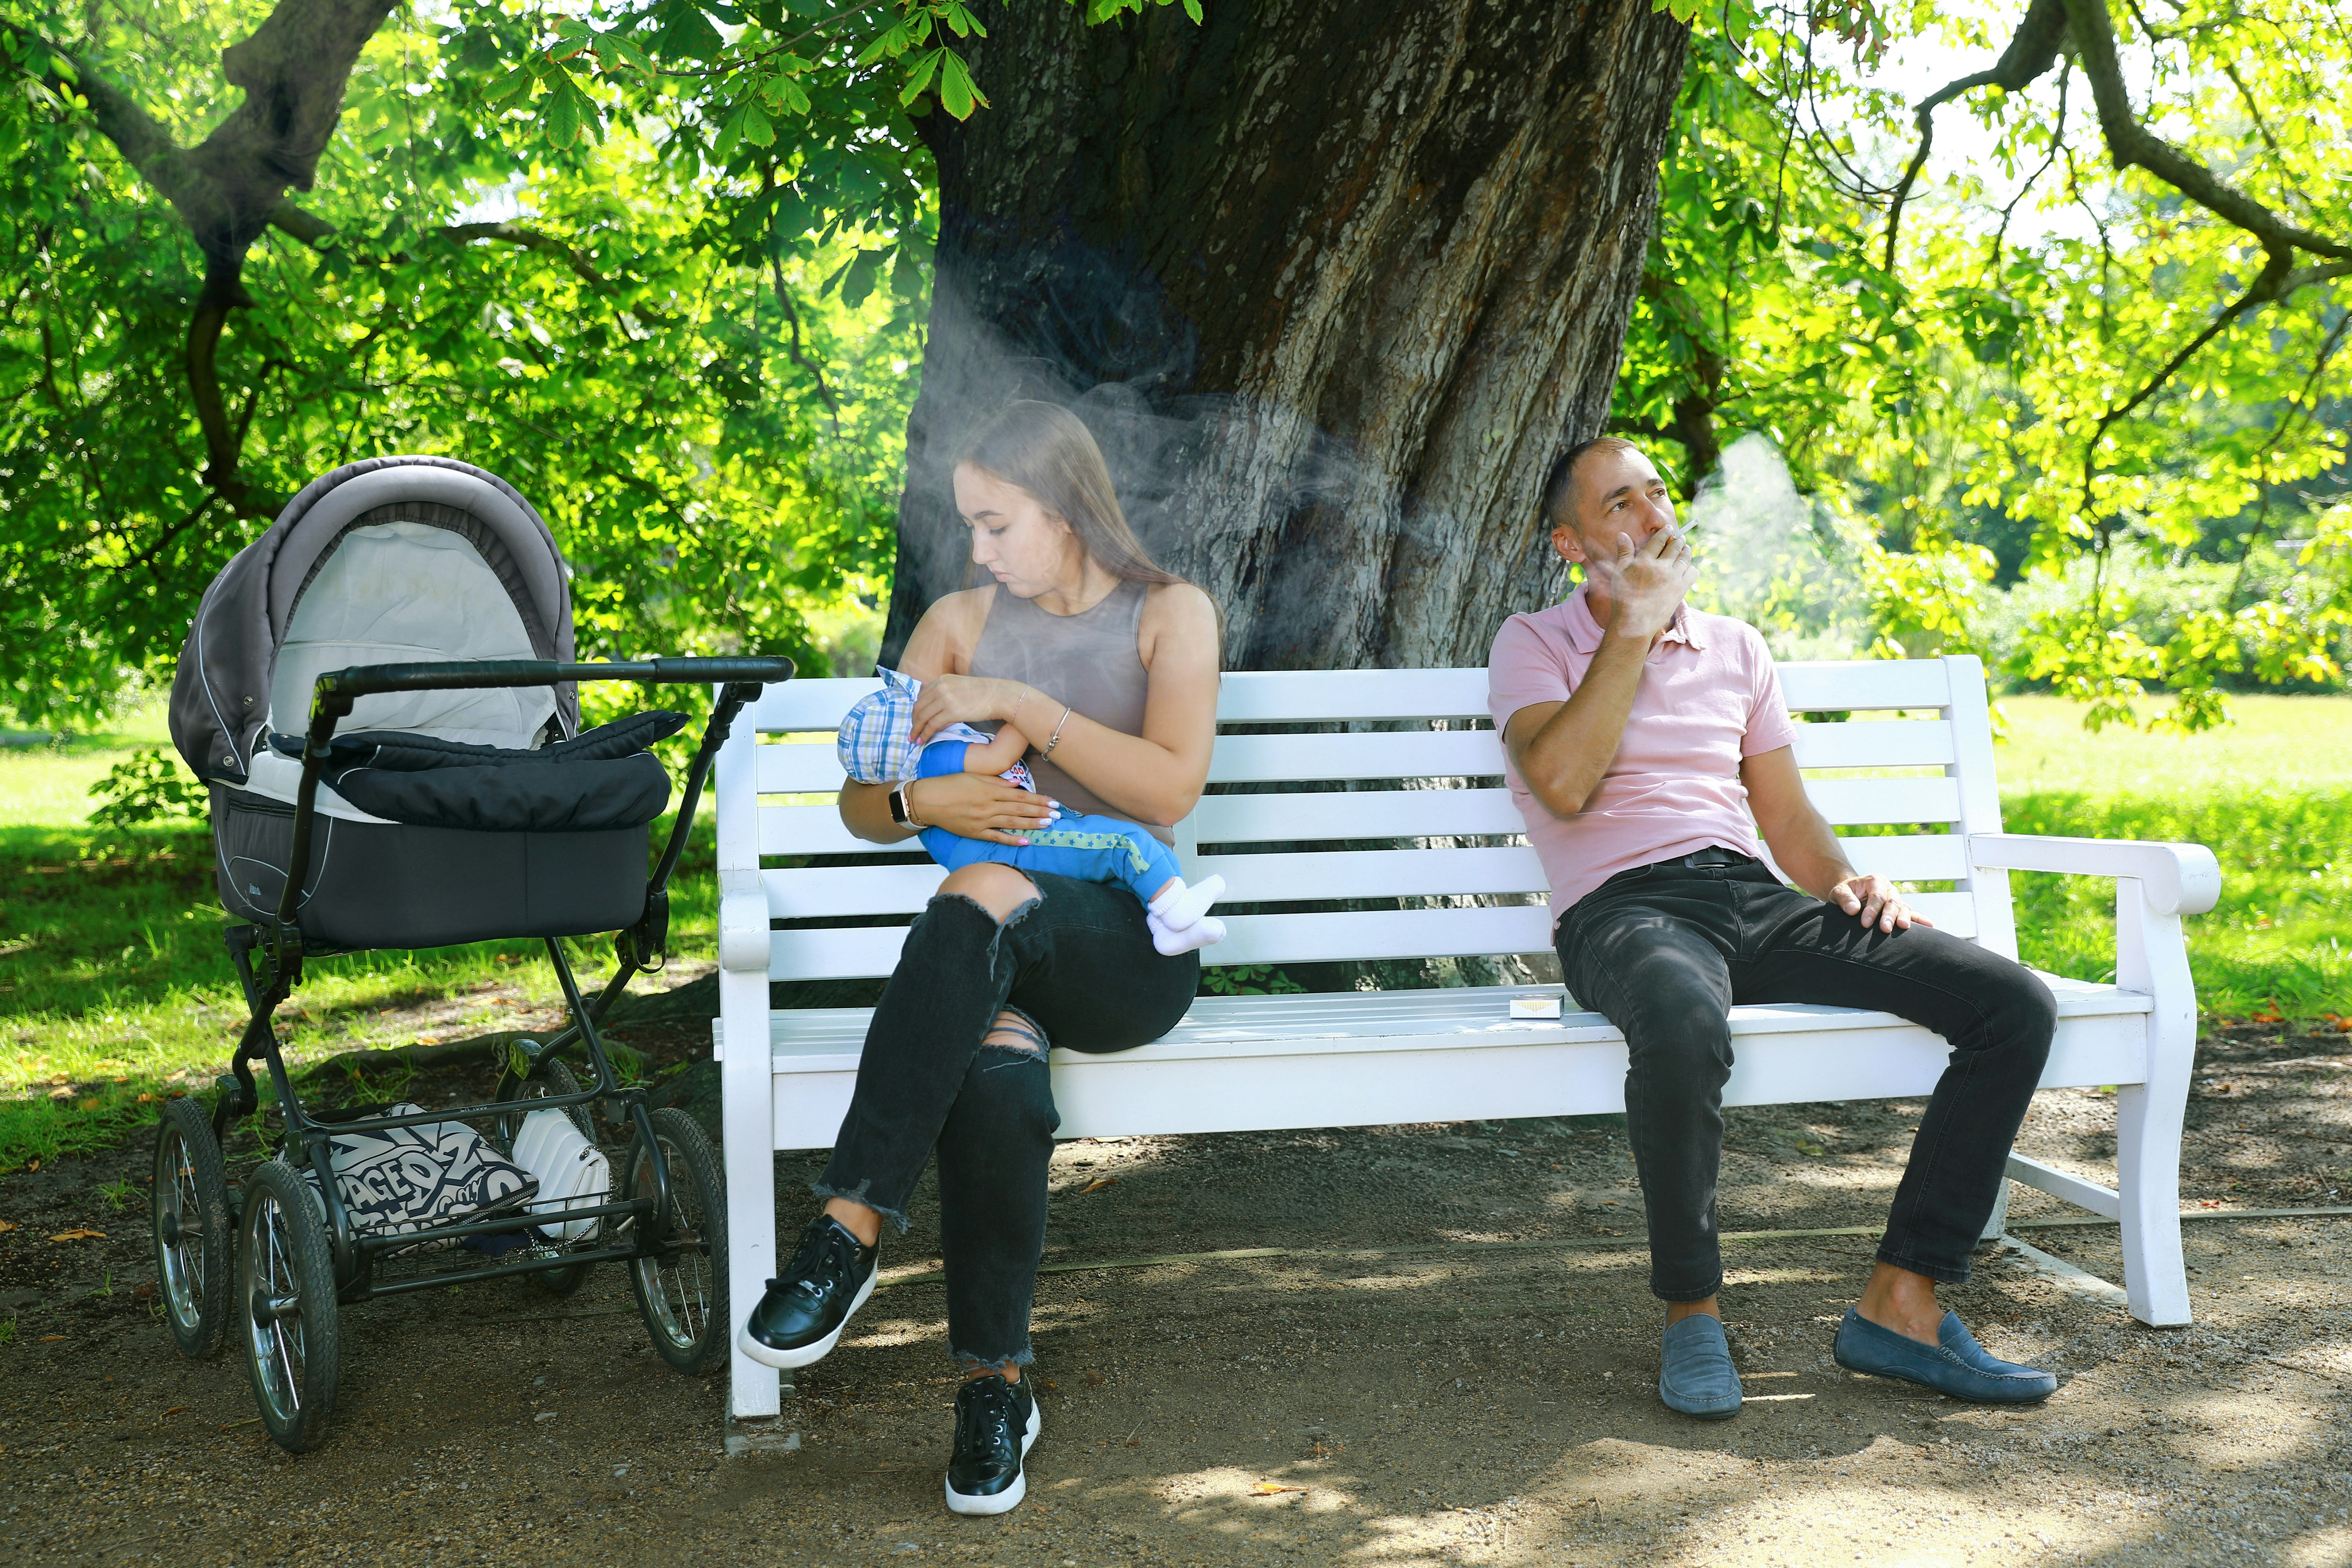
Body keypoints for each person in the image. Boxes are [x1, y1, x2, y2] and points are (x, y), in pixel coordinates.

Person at [1488, 436, 2060, 1420]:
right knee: (1678, 1022)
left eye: (1658, 494)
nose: (1653, 517)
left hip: (1748, 895)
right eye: (1620, 505)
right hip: (1622, 910)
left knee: (2010, 1004)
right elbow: (1566, 783)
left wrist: (1847, 878)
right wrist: (1635, 628)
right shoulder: (1532, 644)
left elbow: (1787, 821)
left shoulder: (1737, 647)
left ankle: (1903, 1302)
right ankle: (1693, 1312)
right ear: (1571, 543)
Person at [737, 400, 1222, 1514]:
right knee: (997, 1072)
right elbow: (866, 802)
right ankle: (995, 1388)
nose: (978, 551)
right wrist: (920, 796)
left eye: (997, 524)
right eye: (971, 526)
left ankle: (848, 1227)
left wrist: (1023, 706)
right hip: (989, 964)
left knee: (982, 888)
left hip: (1124, 955)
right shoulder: (955, 622)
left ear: (1063, 513)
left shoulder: (1170, 613)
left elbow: (1168, 789)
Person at [835, 665, 1228, 954]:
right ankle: (1174, 912)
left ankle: (1170, 923)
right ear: (909, 732)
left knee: (1110, 845)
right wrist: (1026, 704)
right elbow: (1001, 753)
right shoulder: (935, 758)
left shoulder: (927, 763)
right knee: (1122, 844)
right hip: (1014, 843)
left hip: (1010, 843)